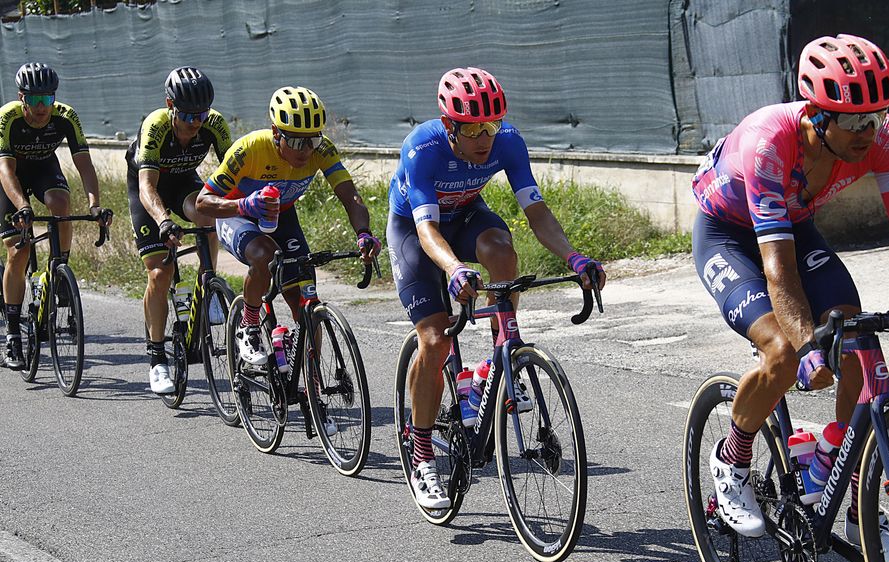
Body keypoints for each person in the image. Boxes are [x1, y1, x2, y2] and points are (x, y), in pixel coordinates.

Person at [691, 34, 889, 562]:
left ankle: (844, 487)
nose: (872, 131)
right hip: (728, 234)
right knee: (783, 351)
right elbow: (777, 267)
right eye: (856, 121)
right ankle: (733, 458)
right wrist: (804, 345)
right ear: (818, 116)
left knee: (854, 335)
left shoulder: (886, 138)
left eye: (879, 115)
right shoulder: (771, 141)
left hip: (793, 228)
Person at [387, 67, 606, 510]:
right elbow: (427, 230)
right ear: (449, 126)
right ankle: (424, 452)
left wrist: (575, 257)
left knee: (502, 250)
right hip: (416, 232)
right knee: (435, 340)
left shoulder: (508, 141)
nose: (485, 137)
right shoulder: (423, 150)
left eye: (492, 124)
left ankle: (496, 361)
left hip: (467, 217)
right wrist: (452, 269)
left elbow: (538, 213)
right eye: (472, 129)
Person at [196, 85, 379, 366]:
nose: (306, 151)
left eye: (312, 141)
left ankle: (310, 381)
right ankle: (249, 323)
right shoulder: (250, 149)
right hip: (236, 213)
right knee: (263, 254)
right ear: (276, 133)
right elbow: (203, 202)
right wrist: (243, 205)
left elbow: (351, 197)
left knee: (305, 296)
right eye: (296, 142)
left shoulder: (322, 150)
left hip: (280, 214)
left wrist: (364, 233)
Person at [128, 66, 232, 395]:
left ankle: (208, 281)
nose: (194, 122)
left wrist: (246, 207)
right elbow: (147, 187)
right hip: (148, 186)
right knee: (160, 272)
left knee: (208, 213)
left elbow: (234, 173)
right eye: (187, 115)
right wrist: (163, 220)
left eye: (200, 114)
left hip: (185, 182)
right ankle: (157, 359)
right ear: (171, 106)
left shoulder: (213, 123)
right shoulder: (156, 125)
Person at [0, 63, 111, 370]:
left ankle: (59, 267)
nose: (41, 107)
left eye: (47, 99)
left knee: (60, 202)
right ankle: (12, 334)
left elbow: (85, 165)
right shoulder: (7, 118)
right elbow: (6, 171)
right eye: (34, 100)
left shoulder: (66, 116)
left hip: (44, 168)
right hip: (10, 177)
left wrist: (95, 206)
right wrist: (22, 205)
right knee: (18, 250)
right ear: (22, 98)